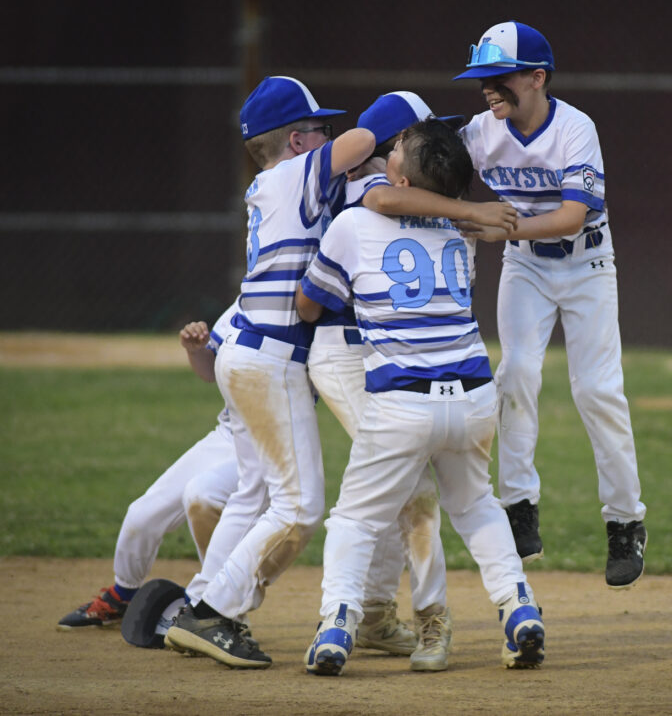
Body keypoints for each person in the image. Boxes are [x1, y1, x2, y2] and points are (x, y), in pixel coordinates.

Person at [296, 119, 545, 676]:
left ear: (404, 178)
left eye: (397, 149)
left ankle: (337, 624)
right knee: (476, 505)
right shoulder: (464, 228)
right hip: (475, 395)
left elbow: (310, 305)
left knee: (356, 519)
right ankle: (518, 607)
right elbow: (414, 206)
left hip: (403, 401)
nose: (390, 151)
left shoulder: (354, 224)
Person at [162, 76, 378, 669]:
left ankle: (201, 602)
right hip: (271, 359)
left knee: (253, 494)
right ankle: (217, 615)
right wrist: (398, 116)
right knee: (300, 507)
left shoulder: (276, 184)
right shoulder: (291, 175)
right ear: (297, 139)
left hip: (249, 350)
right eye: (320, 128)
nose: (330, 134)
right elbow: (361, 140)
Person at [453, 22, 648, 589]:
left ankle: (625, 521)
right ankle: (518, 508)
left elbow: (572, 216)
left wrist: (494, 229)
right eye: (482, 79)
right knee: (515, 372)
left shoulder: (574, 129)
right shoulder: (480, 133)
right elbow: (434, 164)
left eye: (499, 77)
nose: (488, 89)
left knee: (598, 390)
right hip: (527, 267)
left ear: (537, 78)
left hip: (587, 265)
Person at [304, 90, 469, 671]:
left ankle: (371, 615)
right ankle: (413, 618)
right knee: (414, 488)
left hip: (380, 357)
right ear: (385, 150)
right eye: (412, 139)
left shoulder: (397, 197)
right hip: (348, 353)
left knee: (397, 488)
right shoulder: (365, 194)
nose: (423, 152)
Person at [56, 304, 242, 631]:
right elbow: (209, 372)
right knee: (141, 515)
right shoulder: (240, 308)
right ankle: (122, 594)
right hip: (227, 435)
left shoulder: (294, 316)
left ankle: (220, 610)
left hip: (271, 443)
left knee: (203, 501)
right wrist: (195, 349)